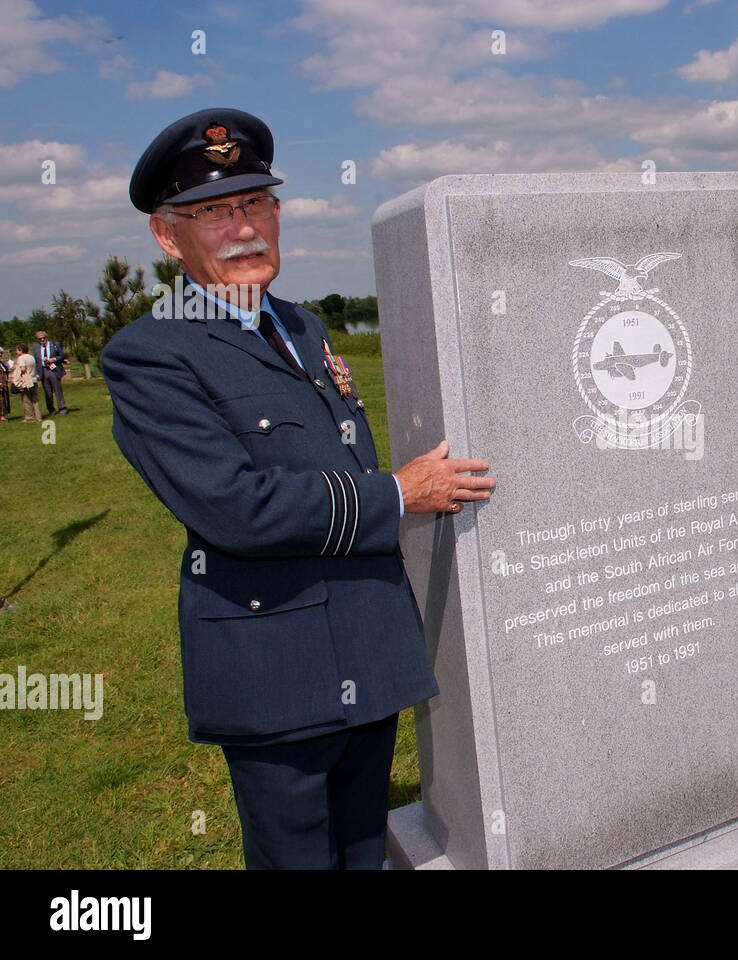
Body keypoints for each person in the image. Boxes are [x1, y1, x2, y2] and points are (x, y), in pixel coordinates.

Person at [102, 107, 496, 869]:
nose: (243, 227)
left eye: (255, 204)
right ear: (166, 235)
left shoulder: (303, 326)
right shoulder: (151, 355)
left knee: (362, 853)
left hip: (368, 645)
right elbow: (235, 508)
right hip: (277, 670)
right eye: (213, 212)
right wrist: (396, 495)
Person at [33, 330, 68, 417]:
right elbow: (37, 361)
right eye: (40, 339)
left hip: (54, 370)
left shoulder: (55, 344)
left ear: (46, 337)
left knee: (57, 389)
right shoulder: (36, 348)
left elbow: (62, 356)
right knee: (47, 391)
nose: (42, 340)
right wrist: (37, 373)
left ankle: (62, 408)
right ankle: (51, 410)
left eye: (43, 338)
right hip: (43, 371)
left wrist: (54, 359)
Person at [10, 345, 40, 423]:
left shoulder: (21, 358)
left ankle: (29, 418)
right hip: (34, 379)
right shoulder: (31, 357)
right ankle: (38, 417)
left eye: (17, 350)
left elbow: (22, 368)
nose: (16, 352)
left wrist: (16, 377)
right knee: (35, 399)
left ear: (20, 350)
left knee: (26, 400)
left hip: (26, 381)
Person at [0, 347, 11, 422]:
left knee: (4, 399)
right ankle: (1, 416)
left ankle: (3, 415)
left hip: (4, 383)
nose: (0, 354)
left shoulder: (1, 363)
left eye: (1, 353)